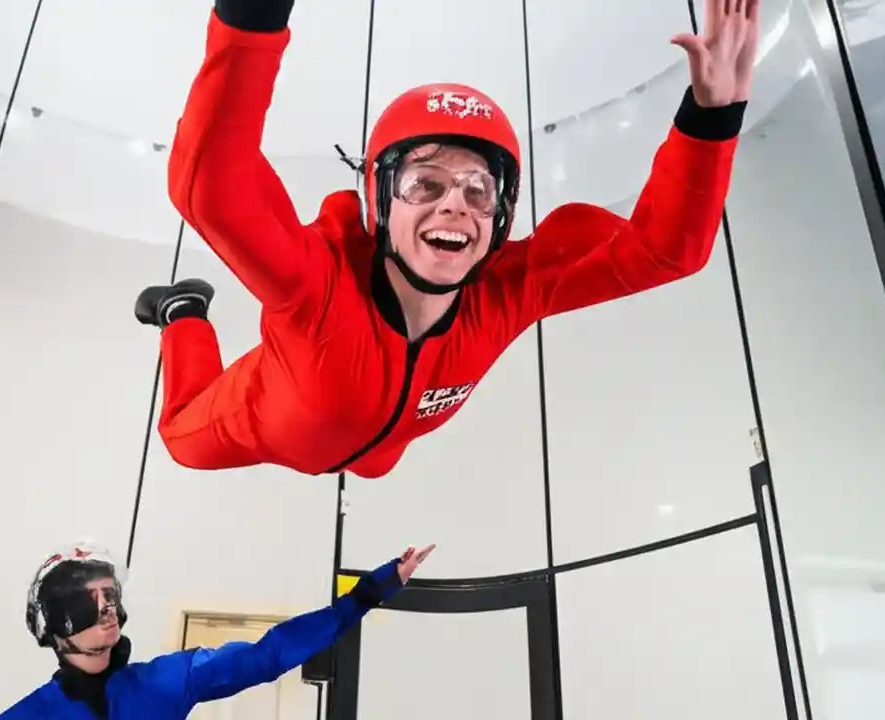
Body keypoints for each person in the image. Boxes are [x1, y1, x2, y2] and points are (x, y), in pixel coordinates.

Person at [137, 0, 762, 478]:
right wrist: (253, 19)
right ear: (379, 201)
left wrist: (714, 118)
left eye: (477, 189)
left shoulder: (511, 293)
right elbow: (213, 188)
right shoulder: (315, 284)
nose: (455, 205)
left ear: (500, 215)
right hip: (266, 424)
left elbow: (665, 252)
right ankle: (182, 311)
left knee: (374, 462)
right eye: (424, 183)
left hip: (379, 450)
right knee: (179, 441)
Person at [0, 541, 435, 719]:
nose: (107, 609)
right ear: (55, 626)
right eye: (85, 602)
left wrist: (366, 594)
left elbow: (269, 654)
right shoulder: (28, 717)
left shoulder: (165, 681)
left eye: (109, 594)